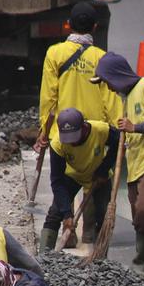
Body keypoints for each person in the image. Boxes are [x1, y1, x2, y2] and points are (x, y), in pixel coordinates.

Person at [34, 1, 122, 247]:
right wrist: (117, 130)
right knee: (95, 179)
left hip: (61, 133)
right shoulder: (101, 58)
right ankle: (91, 236)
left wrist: (44, 130)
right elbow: (111, 98)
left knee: (62, 180)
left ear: (69, 26)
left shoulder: (55, 53)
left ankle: (66, 226)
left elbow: (48, 97)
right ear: (95, 27)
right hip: (95, 132)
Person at [90, 53, 144, 285]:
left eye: (107, 81)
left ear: (115, 76)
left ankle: (140, 263)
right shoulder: (124, 98)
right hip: (135, 165)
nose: (107, 87)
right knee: (143, 218)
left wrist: (135, 127)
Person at [38, 108, 118, 253]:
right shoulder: (57, 144)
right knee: (55, 213)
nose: (71, 143)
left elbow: (118, 143)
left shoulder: (101, 130)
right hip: (72, 175)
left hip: (98, 174)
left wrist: (103, 169)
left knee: (102, 214)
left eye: (74, 137)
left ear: (84, 127)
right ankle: (44, 258)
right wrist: (67, 214)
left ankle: (100, 258)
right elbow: (57, 181)